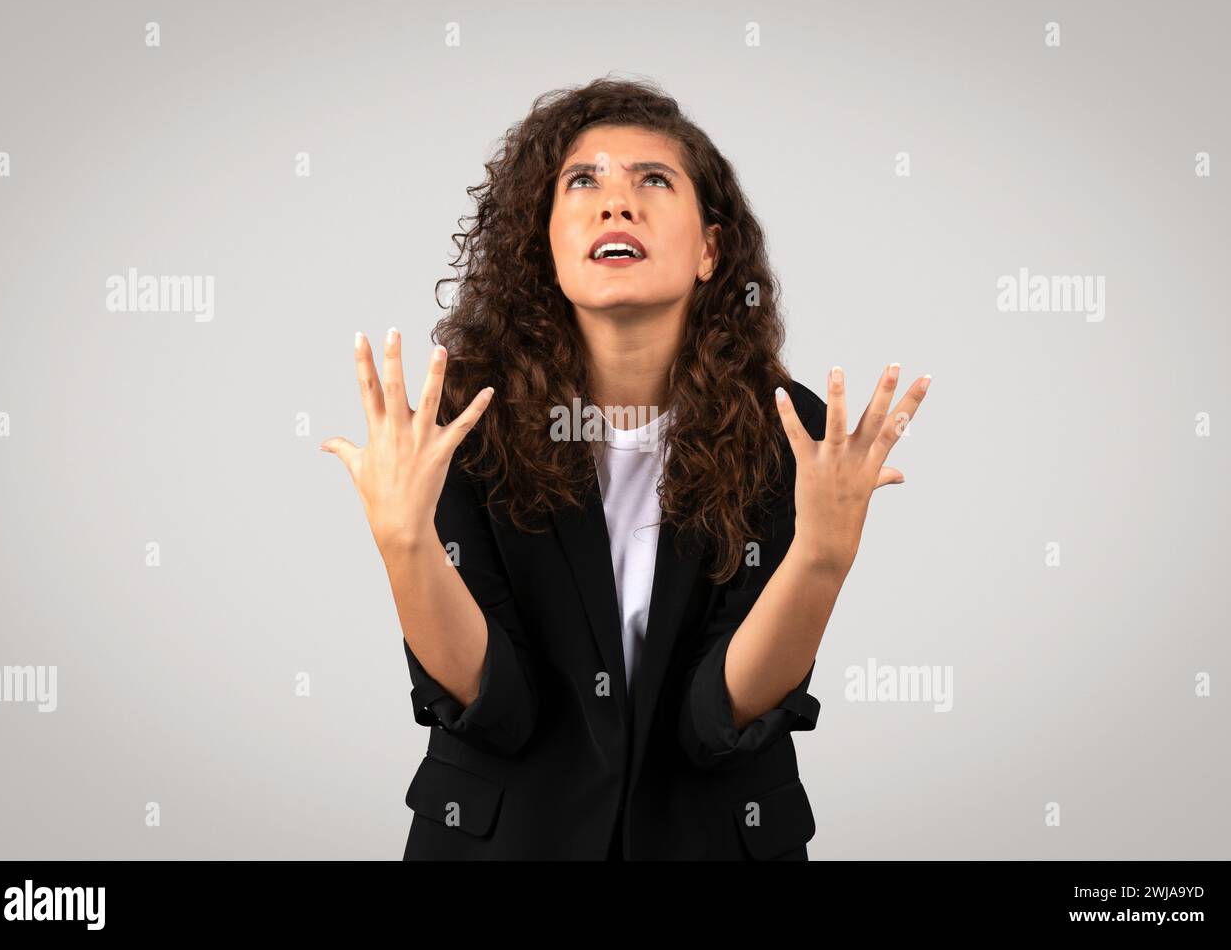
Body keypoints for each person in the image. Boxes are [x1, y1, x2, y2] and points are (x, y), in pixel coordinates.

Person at [321, 75, 930, 859]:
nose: (617, 202)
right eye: (584, 180)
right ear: (542, 240)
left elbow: (714, 723)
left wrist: (820, 561)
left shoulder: (797, 432)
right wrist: (406, 545)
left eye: (652, 179)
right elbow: (500, 707)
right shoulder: (458, 424)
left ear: (711, 249)